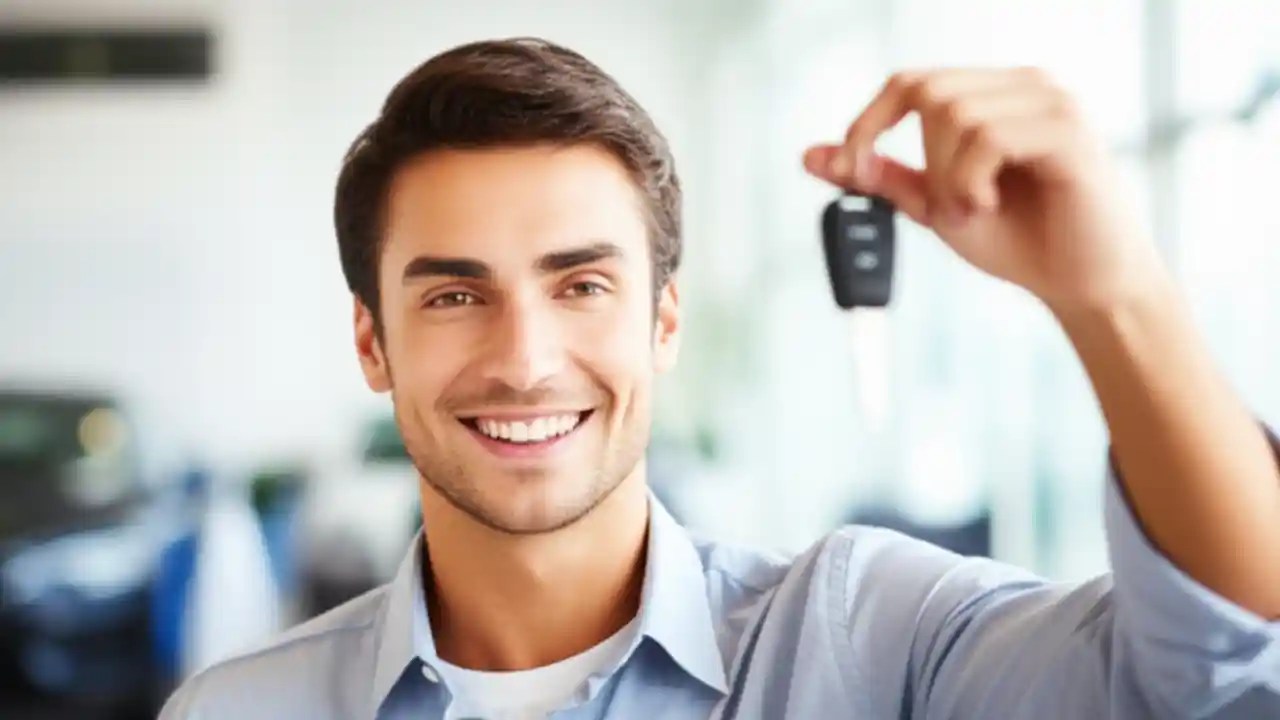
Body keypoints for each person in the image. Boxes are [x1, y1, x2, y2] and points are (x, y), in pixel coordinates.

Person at [159, 38, 1280, 719]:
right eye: (453, 296)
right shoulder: (236, 709)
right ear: (372, 343)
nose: (524, 358)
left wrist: (1113, 294)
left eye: (581, 286)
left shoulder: (872, 637)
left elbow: (1215, 678)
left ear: (663, 321)